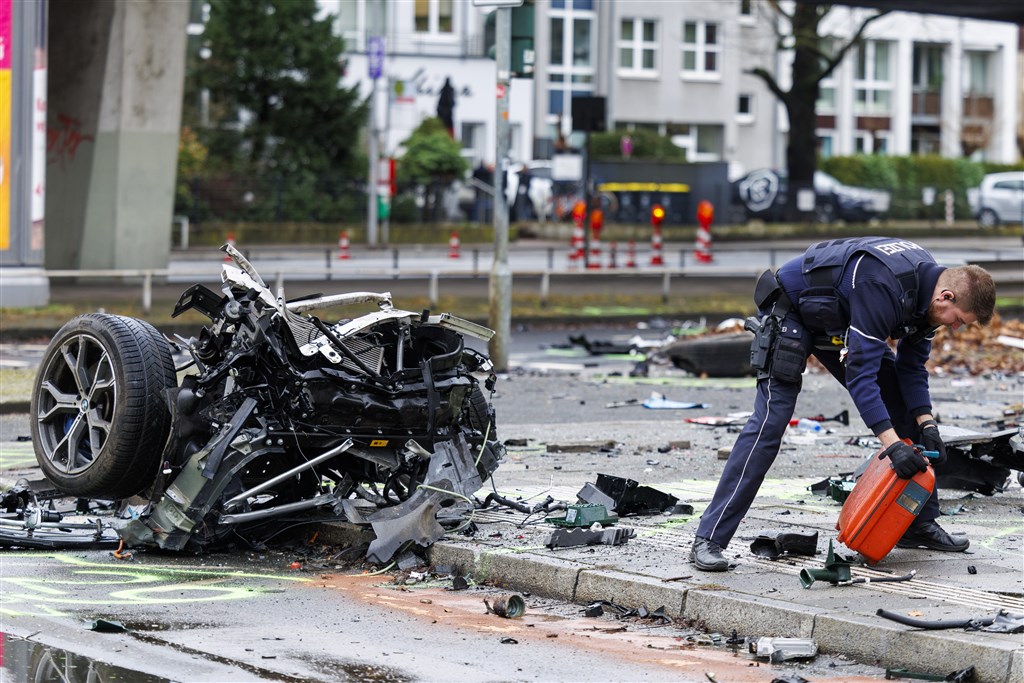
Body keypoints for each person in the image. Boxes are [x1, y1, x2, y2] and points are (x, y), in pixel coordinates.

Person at [690, 237, 996, 572]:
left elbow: (910, 369)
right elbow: (860, 375)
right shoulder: (882, 285)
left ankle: (916, 525)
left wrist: (927, 423)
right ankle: (709, 539)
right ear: (946, 296)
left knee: (905, 409)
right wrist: (892, 446)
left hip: (837, 317)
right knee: (770, 423)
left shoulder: (929, 301)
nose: (954, 327)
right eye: (957, 320)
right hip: (793, 310)